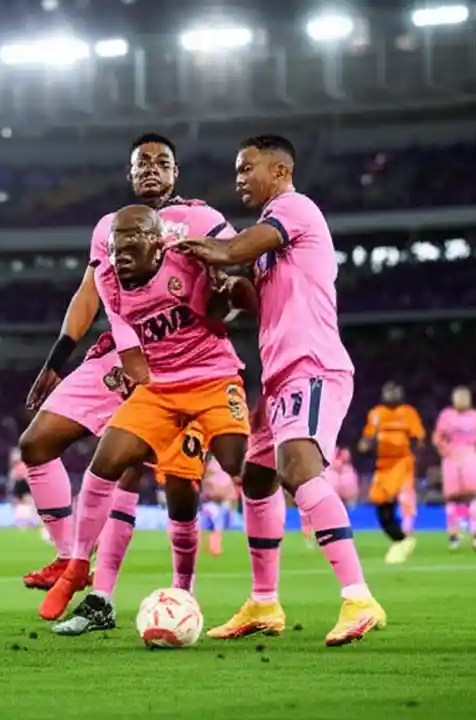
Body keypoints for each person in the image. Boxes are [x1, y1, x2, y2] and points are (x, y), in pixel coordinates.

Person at [168, 134, 384, 647]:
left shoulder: (294, 209)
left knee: (298, 468)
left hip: (312, 364)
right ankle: (264, 602)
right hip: (279, 373)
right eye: (236, 171)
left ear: (280, 170)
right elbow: (259, 301)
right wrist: (229, 290)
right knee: (257, 477)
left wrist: (196, 247)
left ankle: (358, 597)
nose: (239, 179)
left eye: (247, 168)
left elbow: (233, 248)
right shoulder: (271, 245)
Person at [18, 132, 239, 591]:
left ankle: (122, 595)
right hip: (120, 353)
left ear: (176, 172)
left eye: (161, 162)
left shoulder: (201, 218)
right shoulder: (110, 227)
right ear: (130, 173)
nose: (151, 168)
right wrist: (57, 359)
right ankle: (70, 559)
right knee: (36, 443)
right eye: (142, 162)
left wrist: (229, 297)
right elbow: (89, 295)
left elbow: (239, 270)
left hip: (185, 363)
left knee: (150, 479)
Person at [42, 204, 251, 631]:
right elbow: (131, 349)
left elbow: (220, 311)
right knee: (106, 460)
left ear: (158, 242)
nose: (119, 251)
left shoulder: (185, 261)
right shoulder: (107, 278)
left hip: (212, 377)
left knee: (221, 473)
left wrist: (225, 289)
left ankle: (192, 591)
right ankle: (78, 564)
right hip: (159, 385)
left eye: (131, 240)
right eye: (115, 242)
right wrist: (129, 381)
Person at [359, 382, 426, 564]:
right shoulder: (376, 414)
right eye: (388, 392)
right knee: (379, 501)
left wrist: (415, 457)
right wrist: (366, 445)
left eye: (395, 392)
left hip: (402, 463)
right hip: (383, 465)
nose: (391, 395)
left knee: (404, 499)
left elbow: (418, 438)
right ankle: (401, 539)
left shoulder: (408, 413)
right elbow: (368, 437)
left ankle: (405, 537)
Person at [434, 386, 476, 551]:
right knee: (451, 497)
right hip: (451, 457)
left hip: (470, 456)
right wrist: (444, 451)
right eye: (458, 397)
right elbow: (437, 437)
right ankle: (453, 536)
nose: (461, 400)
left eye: (465, 397)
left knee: (473, 495)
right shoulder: (446, 415)